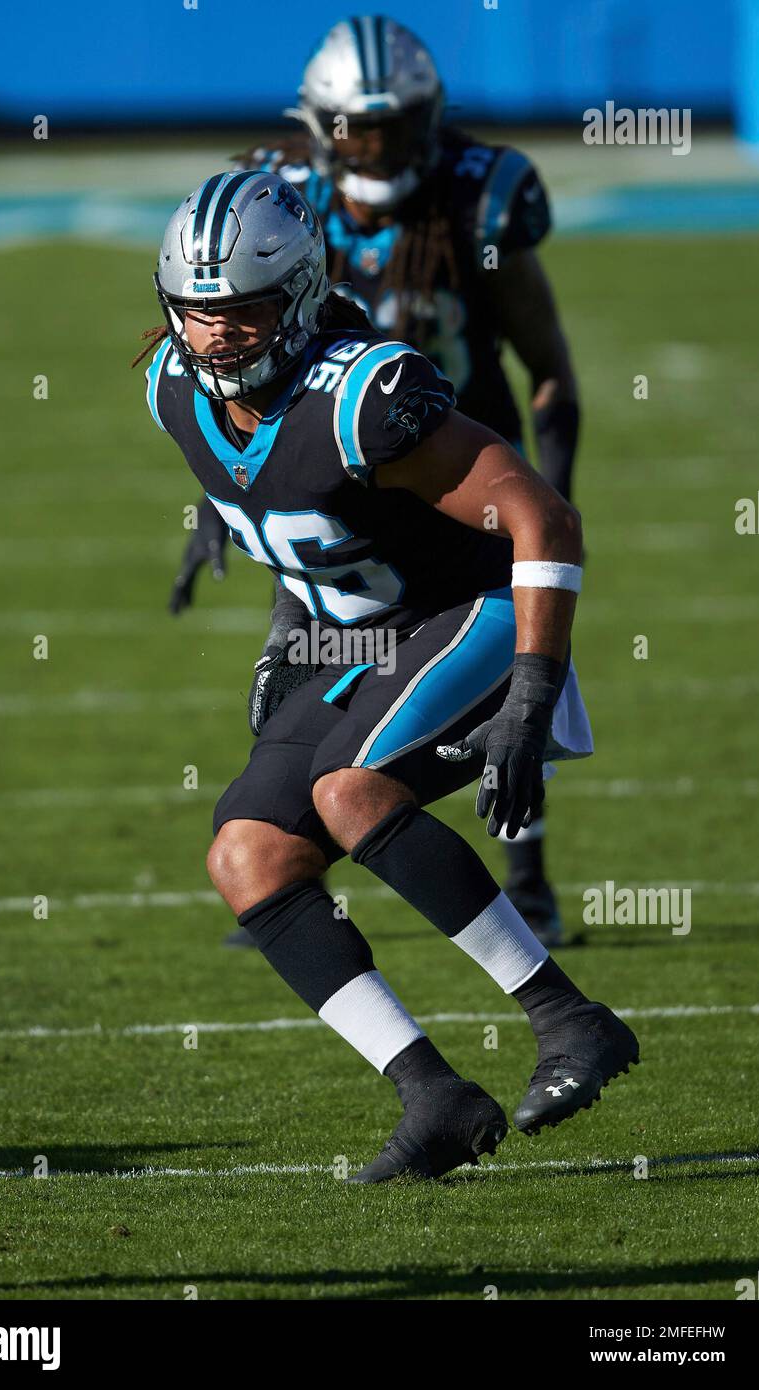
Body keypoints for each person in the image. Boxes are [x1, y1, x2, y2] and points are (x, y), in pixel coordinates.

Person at [136, 169, 638, 1183]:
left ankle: (569, 1020)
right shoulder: (168, 388)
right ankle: (433, 1094)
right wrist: (285, 631)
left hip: (476, 614)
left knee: (349, 789)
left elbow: (542, 519)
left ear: (302, 295)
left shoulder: (367, 396)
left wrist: (533, 691)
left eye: (242, 312)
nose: (216, 335)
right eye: (197, 313)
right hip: (357, 640)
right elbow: (287, 517)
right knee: (248, 858)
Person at [169, 16, 579, 945]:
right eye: (357, 127)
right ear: (318, 125)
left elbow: (547, 364)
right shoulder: (278, 205)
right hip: (338, 469)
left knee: (482, 680)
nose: (377, 147)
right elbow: (243, 391)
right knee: (322, 662)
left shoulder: (479, 199)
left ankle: (526, 874)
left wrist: (547, 510)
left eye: (395, 126)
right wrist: (220, 500)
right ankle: (279, 869)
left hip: (458, 473)